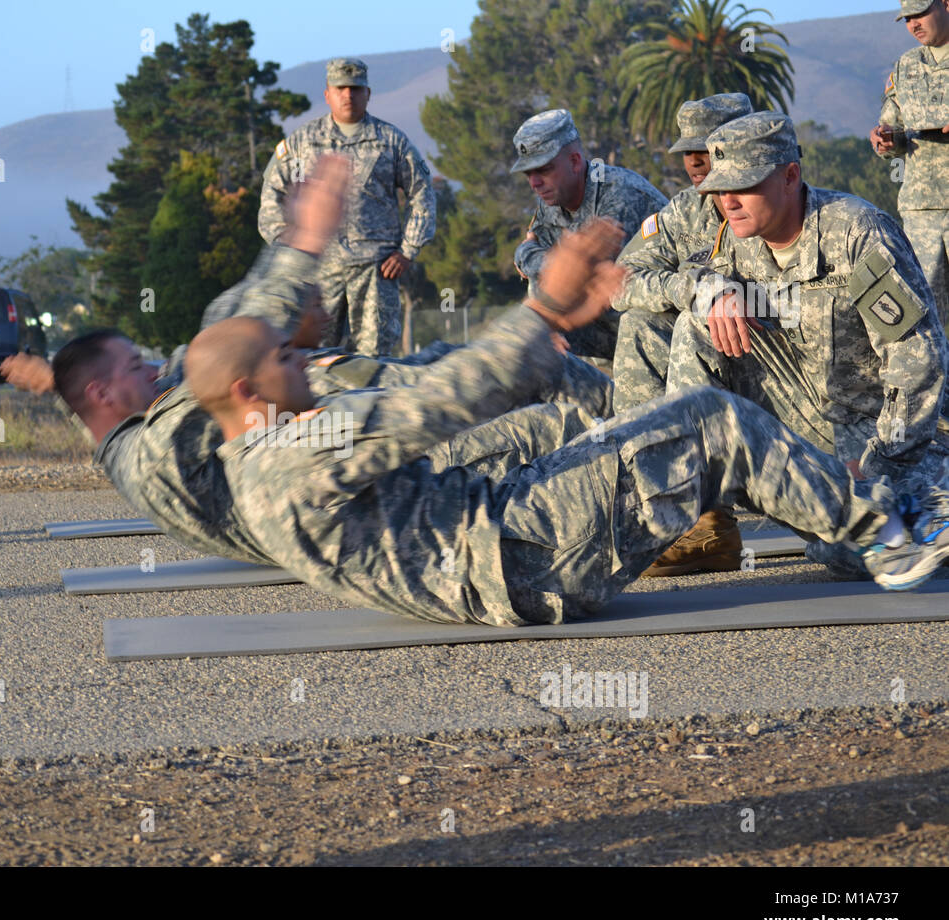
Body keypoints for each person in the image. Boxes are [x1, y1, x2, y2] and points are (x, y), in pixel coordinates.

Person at [183, 219, 949, 630]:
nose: (301, 361)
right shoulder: (291, 455)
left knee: (604, 423)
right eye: (286, 356)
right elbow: (436, 404)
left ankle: (835, 504)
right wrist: (542, 308)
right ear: (251, 388)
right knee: (713, 419)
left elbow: (421, 407)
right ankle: (882, 535)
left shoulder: (264, 450)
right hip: (521, 561)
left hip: (496, 538)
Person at [4, 157, 607, 564]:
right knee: (548, 421)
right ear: (105, 398)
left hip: (368, 425)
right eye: (134, 367)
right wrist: (305, 241)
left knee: (507, 373)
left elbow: (210, 353)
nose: (151, 370)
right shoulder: (155, 453)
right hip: (384, 473)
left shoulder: (146, 421)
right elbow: (235, 341)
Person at [665, 111, 949, 575]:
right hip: (810, 422)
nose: (728, 202)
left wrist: (875, 467)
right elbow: (696, 271)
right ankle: (699, 511)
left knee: (849, 552)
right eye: (719, 190)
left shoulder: (856, 232)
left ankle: (915, 515)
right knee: (697, 325)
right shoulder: (737, 241)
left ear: (790, 176)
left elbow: (918, 361)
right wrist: (712, 290)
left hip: (889, 433)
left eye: (743, 185)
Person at [610, 92, 753, 576]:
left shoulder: (770, 201)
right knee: (642, 323)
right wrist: (691, 285)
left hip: (773, 362)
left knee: (842, 553)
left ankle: (709, 516)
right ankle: (681, 510)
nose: (693, 160)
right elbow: (620, 282)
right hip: (713, 362)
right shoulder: (683, 212)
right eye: (686, 151)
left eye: (705, 147)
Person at [258, 57, 436, 357]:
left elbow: (423, 193)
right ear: (327, 94)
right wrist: (291, 253)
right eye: (340, 88)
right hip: (318, 274)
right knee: (312, 358)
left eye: (356, 88)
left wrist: (408, 250)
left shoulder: (392, 142)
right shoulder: (303, 143)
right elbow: (272, 196)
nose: (348, 95)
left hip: (376, 271)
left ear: (368, 94)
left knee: (374, 362)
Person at [511, 108, 667, 360]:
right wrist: (529, 255)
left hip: (653, 327)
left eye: (543, 170)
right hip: (604, 326)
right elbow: (547, 272)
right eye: (528, 173)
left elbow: (582, 279)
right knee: (532, 337)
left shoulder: (619, 195)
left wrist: (529, 254)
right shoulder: (551, 202)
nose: (534, 183)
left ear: (574, 161)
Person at [871, 0, 949, 332]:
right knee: (926, 313)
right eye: (907, 19)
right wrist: (885, 141)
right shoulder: (906, 66)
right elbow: (892, 127)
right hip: (922, 209)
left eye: (920, 14)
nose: (914, 24)